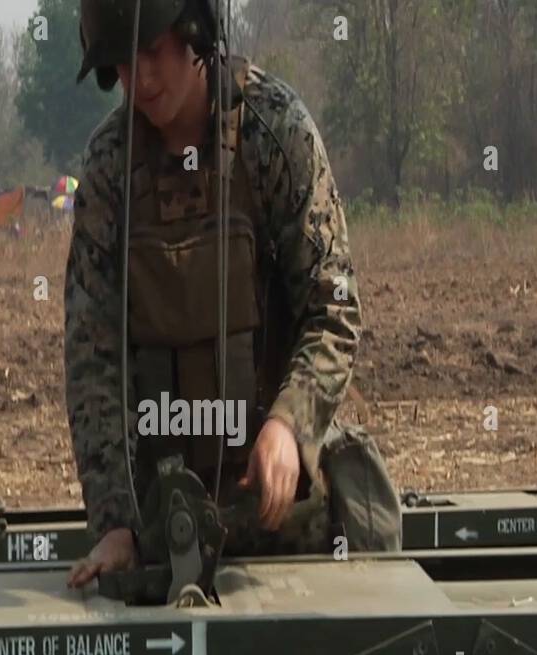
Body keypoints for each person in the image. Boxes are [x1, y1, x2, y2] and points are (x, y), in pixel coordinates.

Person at [64, 0, 402, 589]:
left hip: (288, 520)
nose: (139, 78)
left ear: (196, 32)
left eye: (154, 52)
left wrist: (289, 426)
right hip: (169, 531)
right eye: (121, 62)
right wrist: (117, 523)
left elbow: (333, 309)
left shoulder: (274, 132)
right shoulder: (108, 170)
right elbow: (94, 362)